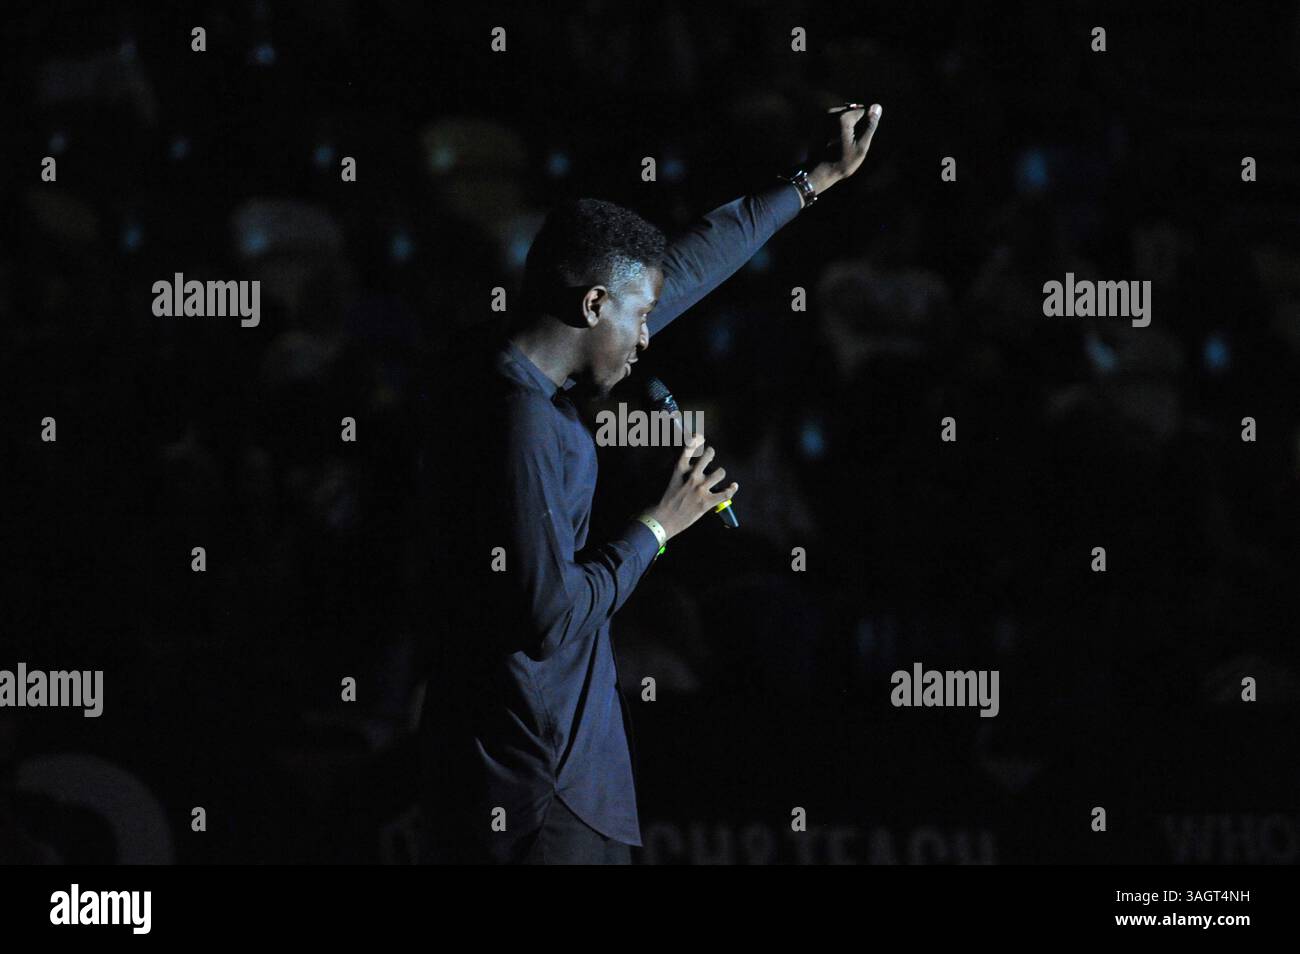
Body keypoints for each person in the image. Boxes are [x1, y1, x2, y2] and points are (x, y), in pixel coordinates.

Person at [416, 103, 883, 864]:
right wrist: (660, 526)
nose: (647, 339)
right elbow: (549, 614)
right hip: (540, 793)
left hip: (530, 782)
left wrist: (810, 181)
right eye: (637, 318)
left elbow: (690, 263)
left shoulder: (511, 369)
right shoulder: (521, 420)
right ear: (591, 304)